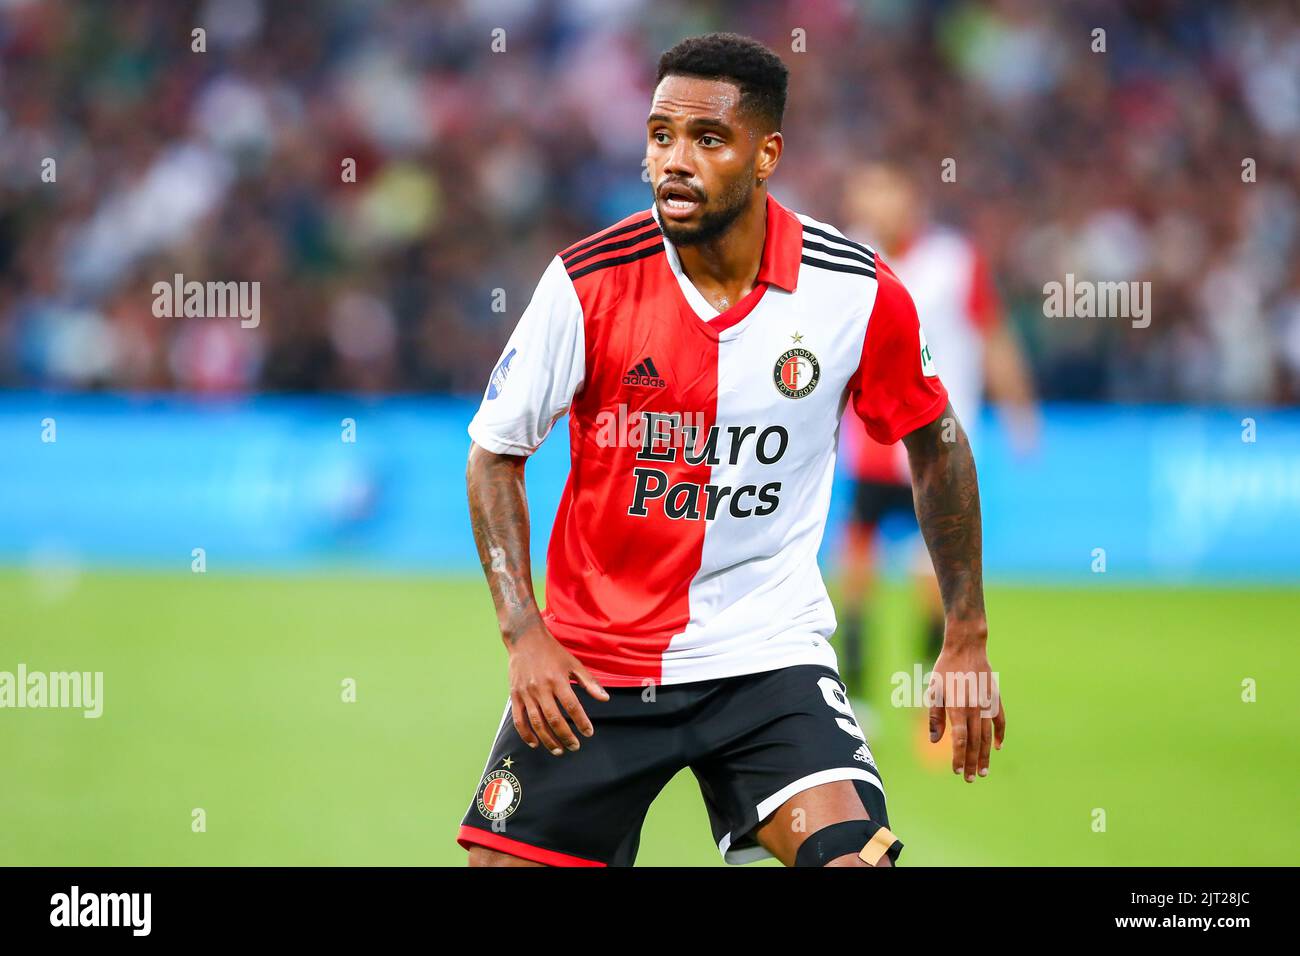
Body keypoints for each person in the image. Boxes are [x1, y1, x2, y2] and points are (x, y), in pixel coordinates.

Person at [459, 33, 1004, 868]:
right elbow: (495, 452)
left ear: (766, 155)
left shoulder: (852, 292)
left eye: (707, 140)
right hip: (596, 662)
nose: (674, 161)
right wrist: (522, 631)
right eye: (659, 136)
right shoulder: (585, 283)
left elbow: (936, 440)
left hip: (766, 657)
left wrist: (964, 633)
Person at [836, 161, 1037, 723]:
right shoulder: (853, 259)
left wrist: (1020, 408)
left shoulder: (954, 261)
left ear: (909, 196)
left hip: (938, 445)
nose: (872, 205)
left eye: (881, 191)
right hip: (874, 445)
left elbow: (992, 335)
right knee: (854, 579)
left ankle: (934, 691)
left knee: (935, 584)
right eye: (864, 194)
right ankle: (858, 695)